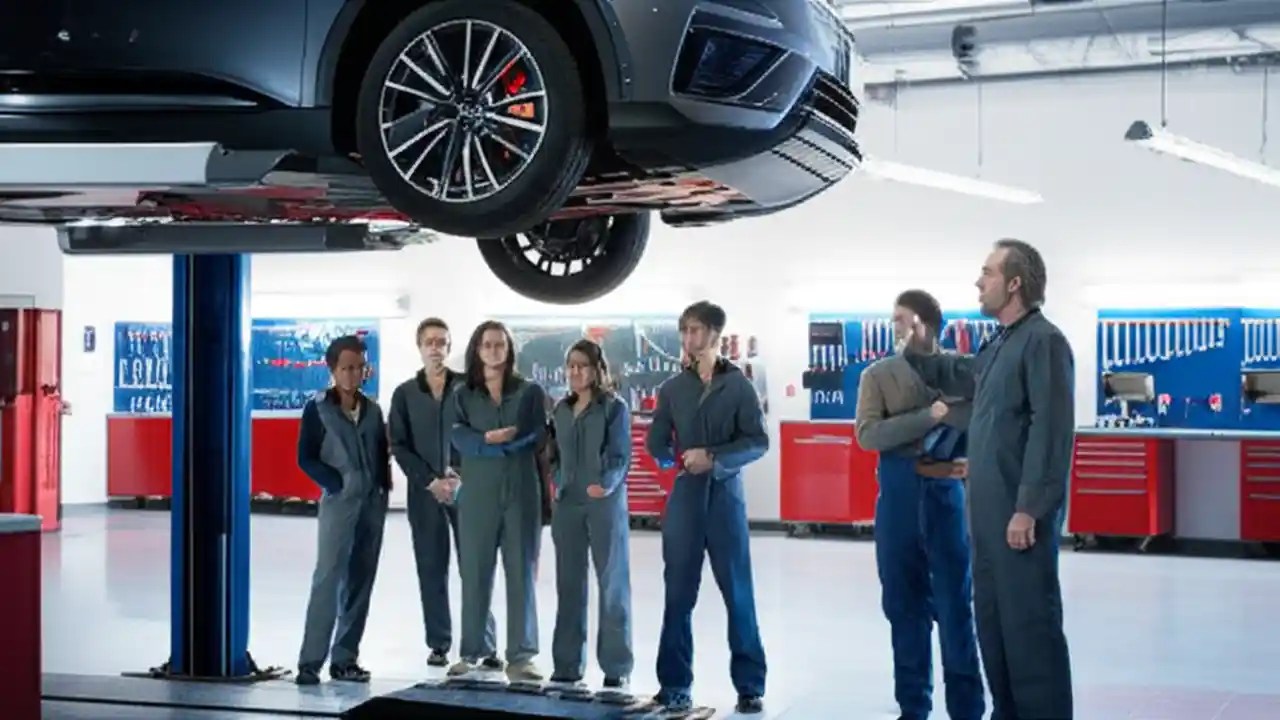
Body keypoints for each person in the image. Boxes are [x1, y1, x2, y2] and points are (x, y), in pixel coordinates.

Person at [903, 239, 1075, 720]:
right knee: (994, 629)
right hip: (987, 513)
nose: (979, 282)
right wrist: (919, 351)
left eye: (987, 273)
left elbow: (1052, 429)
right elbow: (962, 376)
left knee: (1030, 633)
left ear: (1014, 283)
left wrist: (1029, 507)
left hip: (1019, 516)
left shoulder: (1044, 342)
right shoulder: (999, 343)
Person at [855, 289, 984, 720]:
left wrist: (952, 418)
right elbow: (869, 435)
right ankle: (913, 708)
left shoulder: (962, 371)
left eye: (900, 319)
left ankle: (966, 709)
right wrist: (930, 416)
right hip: (898, 501)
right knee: (903, 606)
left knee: (954, 607)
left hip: (947, 499)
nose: (894, 326)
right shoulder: (880, 375)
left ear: (923, 324)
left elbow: (982, 418)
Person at [645, 301, 770, 715]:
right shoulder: (672, 389)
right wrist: (670, 460)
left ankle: (750, 685)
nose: (688, 339)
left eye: (695, 331)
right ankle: (674, 684)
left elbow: (757, 442)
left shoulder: (739, 387)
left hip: (725, 497)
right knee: (677, 594)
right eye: (684, 331)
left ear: (716, 335)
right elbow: (657, 441)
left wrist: (713, 458)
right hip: (685, 497)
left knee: (737, 591)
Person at [388, 317, 502, 671]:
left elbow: (479, 434)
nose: (436, 348)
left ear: (450, 348)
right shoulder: (405, 394)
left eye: (442, 342)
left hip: (466, 491)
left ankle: (484, 645)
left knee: (475, 567)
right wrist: (429, 481)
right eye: (430, 342)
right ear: (420, 347)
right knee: (431, 568)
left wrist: (459, 475)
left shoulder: (467, 389)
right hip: (426, 495)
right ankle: (438, 643)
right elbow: (399, 445)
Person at [448, 320, 549, 682]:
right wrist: (487, 441)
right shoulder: (463, 393)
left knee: (521, 572)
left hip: (520, 490)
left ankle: (521, 656)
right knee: (475, 572)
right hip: (477, 492)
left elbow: (537, 432)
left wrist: (503, 445)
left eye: (500, 345)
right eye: (487, 344)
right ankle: (472, 651)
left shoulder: (529, 391)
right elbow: (457, 435)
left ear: (509, 349)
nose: (493, 350)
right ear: (477, 349)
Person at [294, 335, 391, 685]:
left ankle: (345, 659)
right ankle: (309, 662)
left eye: (359, 368)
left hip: (372, 504)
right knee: (328, 577)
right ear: (333, 369)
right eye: (346, 368)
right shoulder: (317, 408)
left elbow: (381, 451)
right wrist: (336, 483)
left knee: (361, 580)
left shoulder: (373, 408)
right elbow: (305, 457)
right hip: (339, 503)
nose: (353, 374)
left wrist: (382, 487)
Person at [547, 339, 635, 690]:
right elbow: (552, 454)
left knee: (611, 582)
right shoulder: (561, 410)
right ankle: (567, 663)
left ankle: (616, 664)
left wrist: (607, 483)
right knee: (568, 584)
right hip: (567, 504)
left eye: (582, 365)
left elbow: (620, 455)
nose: (575, 372)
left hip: (604, 504)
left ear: (598, 370)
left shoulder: (614, 408)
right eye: (571, 365)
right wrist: (556, 480)